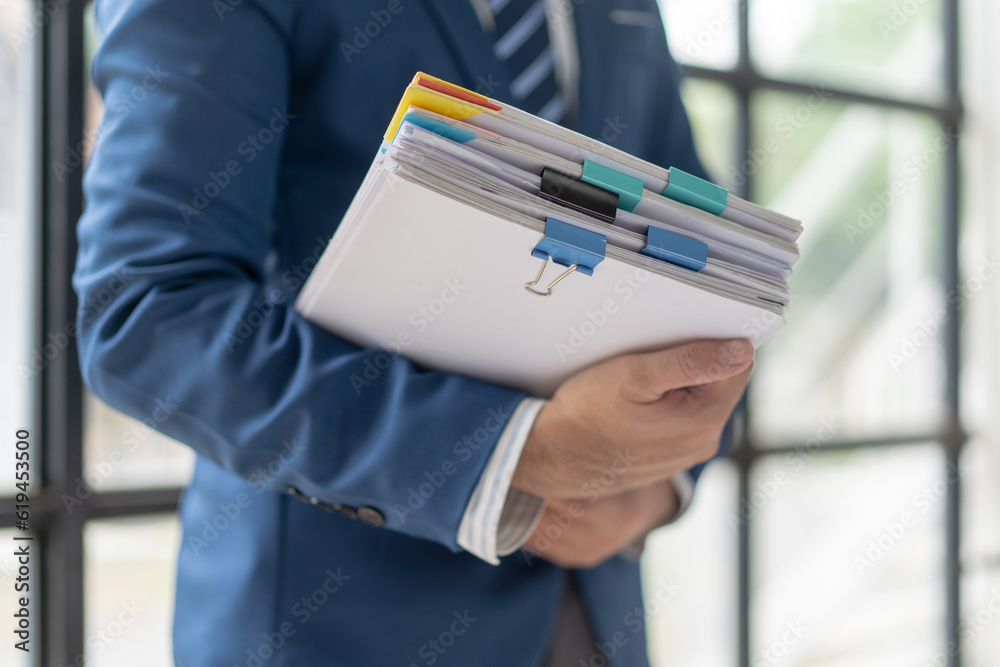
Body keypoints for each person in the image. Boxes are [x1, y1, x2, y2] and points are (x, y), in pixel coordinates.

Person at [74, 0, 753, 665]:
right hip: (329, 625)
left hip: (596, 616)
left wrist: (655, 487)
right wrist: (503, 456)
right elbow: (146, 311)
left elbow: (713, 274)